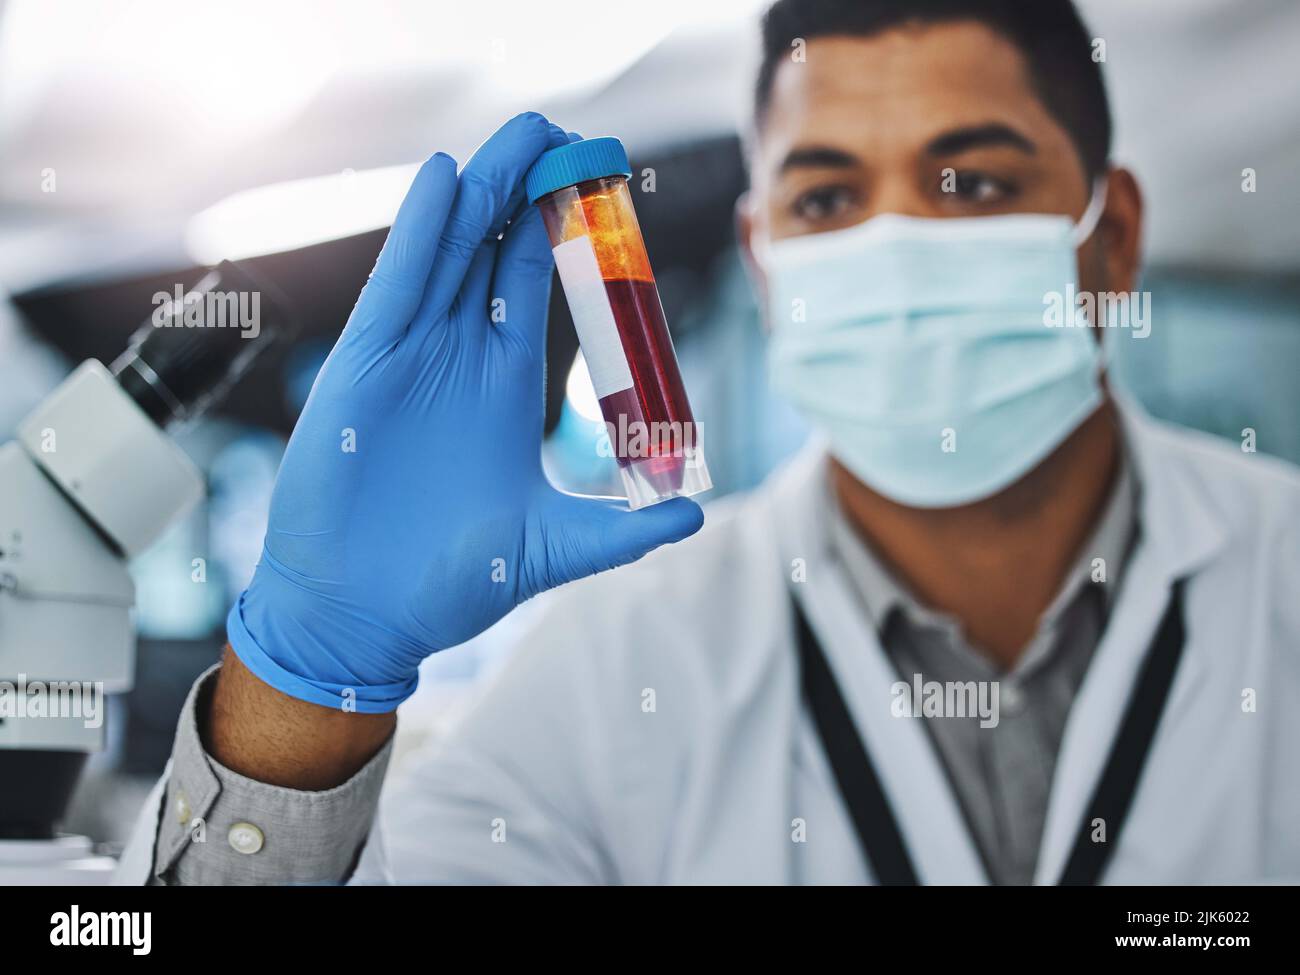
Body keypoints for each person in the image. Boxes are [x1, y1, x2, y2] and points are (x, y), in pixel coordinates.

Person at [118, 0, 1300, 885]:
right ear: (763, 260)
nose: (890, 251)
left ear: (1114, 240)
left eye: (972, 183)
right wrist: (306, 684)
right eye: (827, 201)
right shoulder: (617, 658)